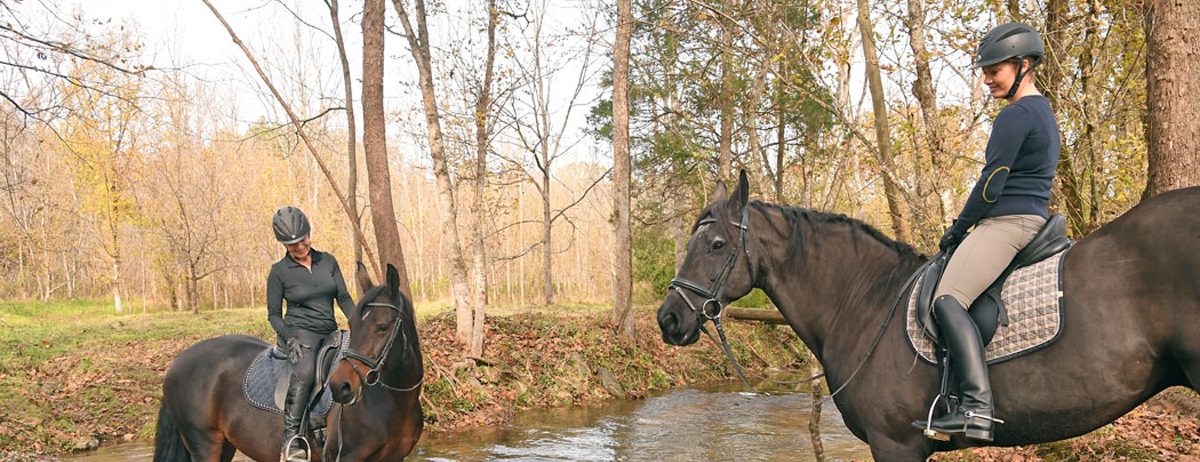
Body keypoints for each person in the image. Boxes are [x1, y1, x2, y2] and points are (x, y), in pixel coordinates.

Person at [913, 23, 1060, 442]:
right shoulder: (1043, 111)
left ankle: (975, 407)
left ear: (1024, 65)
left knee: (947, 298)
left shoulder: (1016, 115)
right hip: (1028, 218)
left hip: (1008, 223)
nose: (987, 77)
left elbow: (992, 185)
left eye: (995, 69)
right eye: (985, 69)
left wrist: (958, 228)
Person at [267, 206, 354, 461]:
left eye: (302, 239)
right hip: (301, 332)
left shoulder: (328, 261)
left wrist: (359, 323)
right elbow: (273, 314)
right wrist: (289, 338)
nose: (300, 246)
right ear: (283, 244)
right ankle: (291, 441)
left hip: (331, 331)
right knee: (304, 373)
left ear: (309, 233)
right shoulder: (279, 272)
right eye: (292, 244)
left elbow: (345, 298)